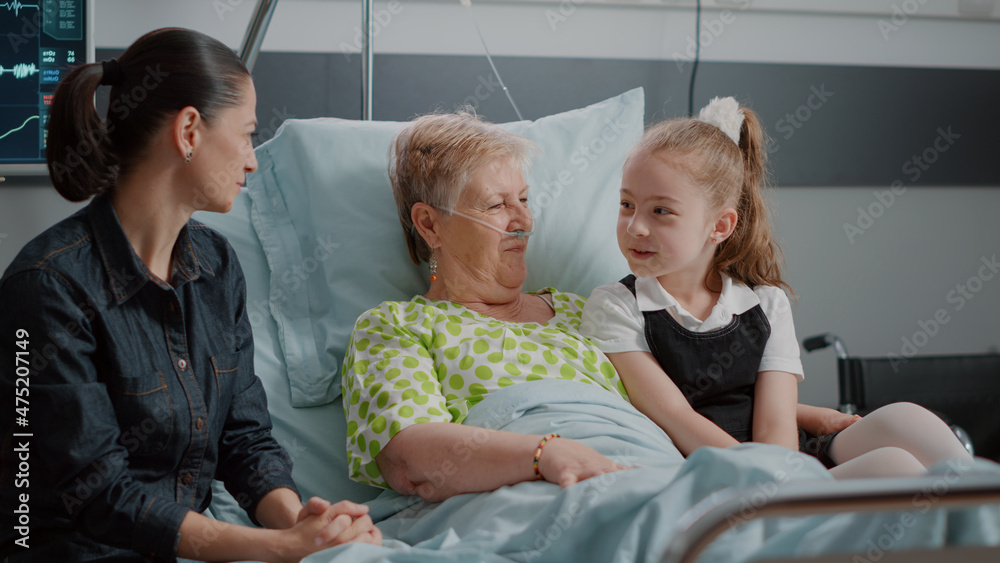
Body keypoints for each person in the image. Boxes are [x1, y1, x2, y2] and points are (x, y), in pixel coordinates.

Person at [0, 28, 380, 562]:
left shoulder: (217, 267)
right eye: (247, 134)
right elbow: (100, 498)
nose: (252, 160)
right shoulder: (47, 288)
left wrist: (305, 527)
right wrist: (274, 549)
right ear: (189, 131)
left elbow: (245, 441)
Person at [341, 111, 859, 501]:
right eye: (498, 205)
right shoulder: (396, 327)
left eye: (525, 199)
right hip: (536, 492)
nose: (524, 220)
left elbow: (677, 394)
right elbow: (413, 455)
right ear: (430, 224)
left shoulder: (578, 310)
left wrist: (802, 413)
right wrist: (543, 455)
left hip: (659, 479)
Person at [580, 96, 974, 478]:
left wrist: (789, 471)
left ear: (719, 226)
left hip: (787, 463)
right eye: (627, 205)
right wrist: (773, 482)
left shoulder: (765, 304)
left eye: (660, 211)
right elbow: (675, 416)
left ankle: (983, 516)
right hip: (724, 472)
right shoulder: (616, 307)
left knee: (907, 419)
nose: (635, 227)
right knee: (895, 466)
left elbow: (776, 426)